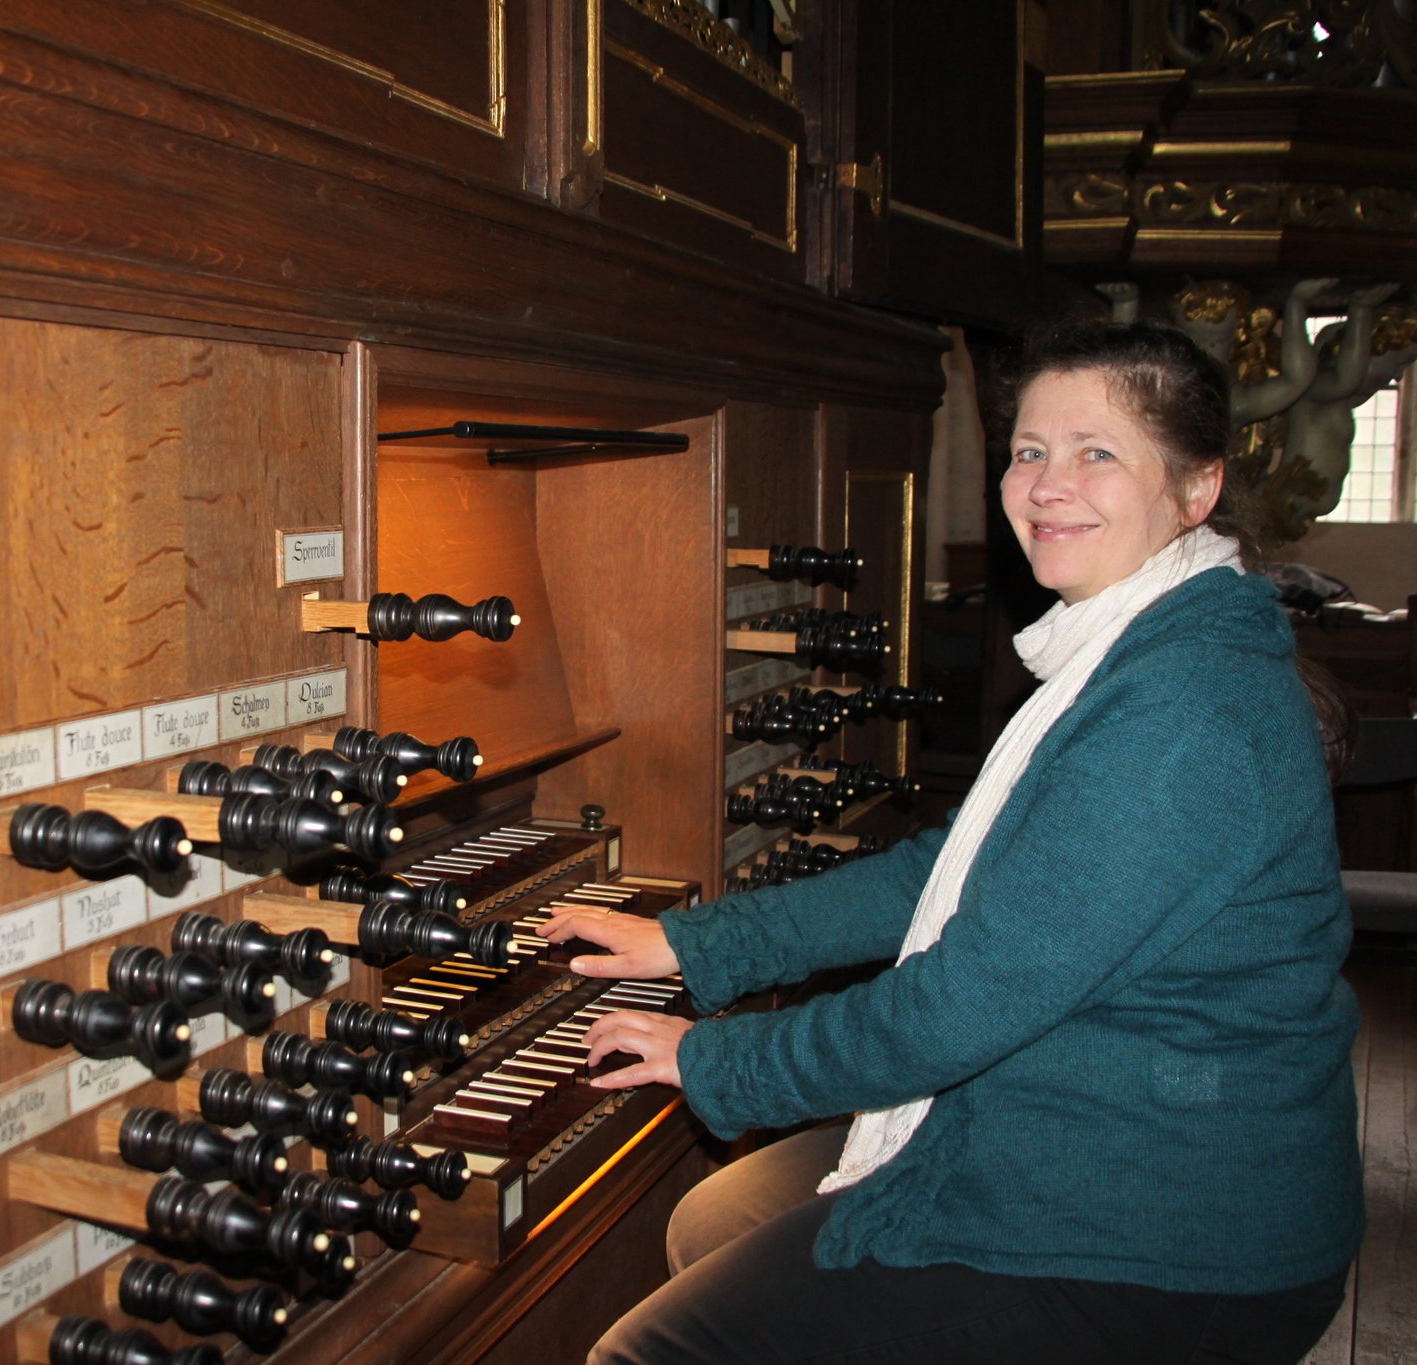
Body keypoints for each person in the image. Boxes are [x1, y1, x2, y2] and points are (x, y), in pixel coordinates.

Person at [541, 320, 1363, 1365]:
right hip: (1083, 1128)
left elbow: (964, 1003)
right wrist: (696, 947)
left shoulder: (1185, 705)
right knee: (715, 1219)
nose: (1044, 485)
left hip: (1163, 1231)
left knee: (649, 1352)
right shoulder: (1137, 646)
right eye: (1027, 452)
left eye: (1094, 452)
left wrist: (721, 1058)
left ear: (1194, 490)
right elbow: (951, 870)